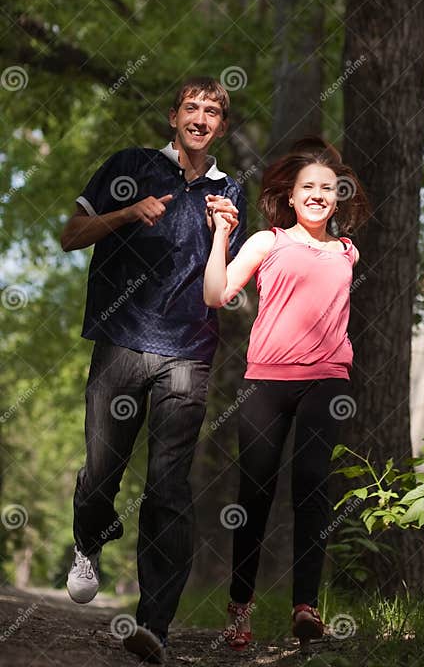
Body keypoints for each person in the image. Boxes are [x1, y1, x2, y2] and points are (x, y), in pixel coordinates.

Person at [61, 77, 246, 665]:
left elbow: (222, 288)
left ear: (221, 125)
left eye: (212, 110)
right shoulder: (131, 165)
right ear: (173, 117)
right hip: (121, 338)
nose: (200, 117)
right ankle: (89, 538)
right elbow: (71, 236)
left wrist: (226, 235)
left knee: (169, 486)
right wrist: (125, 211)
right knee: (101, 468)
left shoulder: (228, 191)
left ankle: (154, 626)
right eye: (191, 107)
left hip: (189, 349)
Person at [203, 138, 370, 649]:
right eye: (308, 188)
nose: (318, 195)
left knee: (313, 483)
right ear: (291, 197)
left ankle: (306, 607)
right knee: (255, 494)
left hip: (327, 377)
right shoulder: (266, 242)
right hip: (268, 380)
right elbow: (216, 294)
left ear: (337, 198)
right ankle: (239, 606)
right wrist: (221, 237)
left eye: (327, 188)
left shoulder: (347, 251)